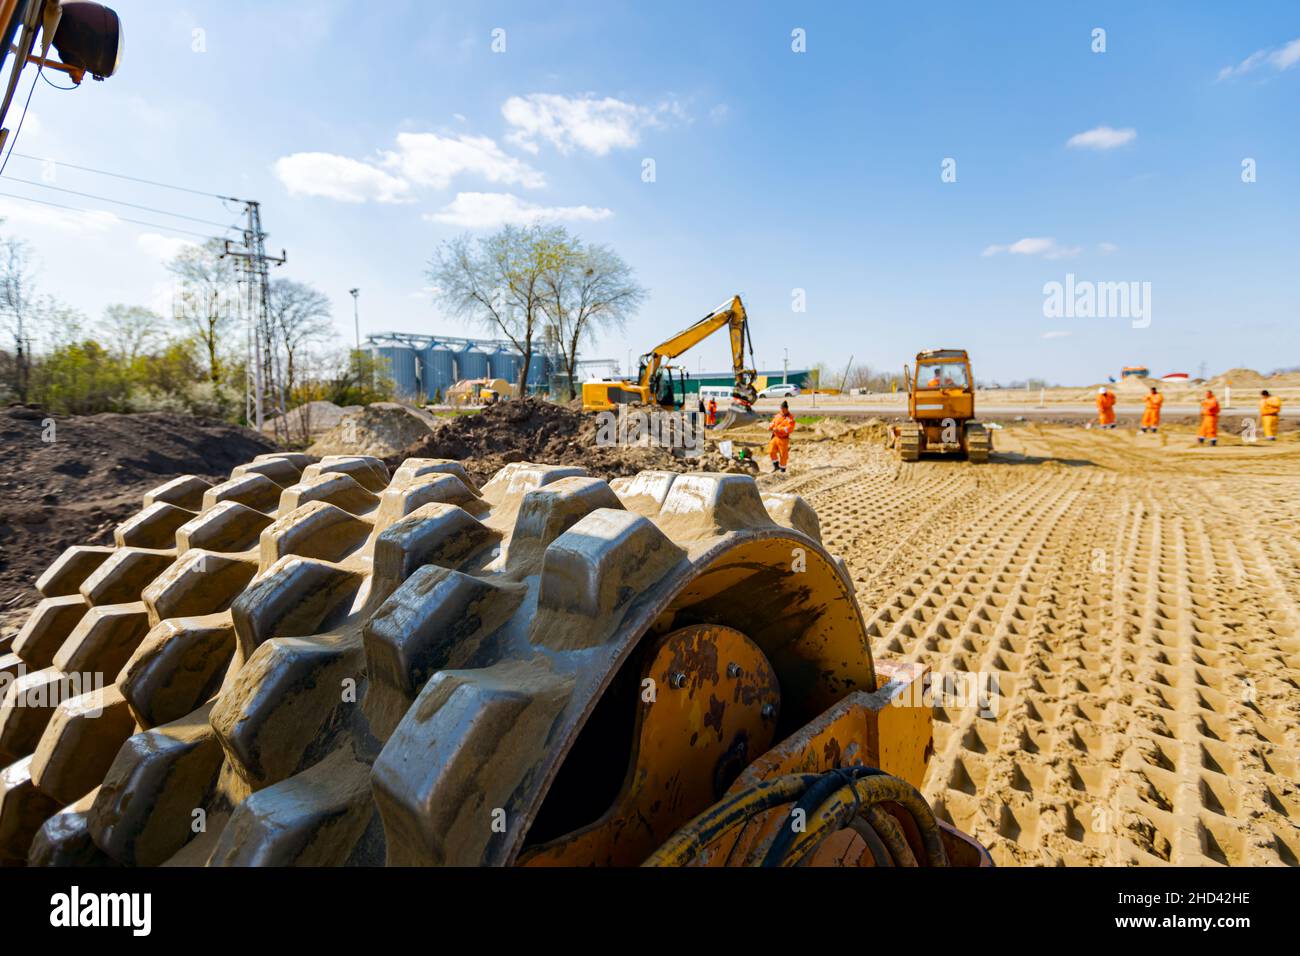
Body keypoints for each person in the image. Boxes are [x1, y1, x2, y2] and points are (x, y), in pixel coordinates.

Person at [768, 400, 796, 472]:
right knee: (771, 451)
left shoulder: (790, 418)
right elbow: (773, 422)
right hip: (775, 437)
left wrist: (778, 429)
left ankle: (783, 469)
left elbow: (789, 429)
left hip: (783, 439)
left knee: (783, 455)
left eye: (783, 410)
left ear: (787, 409)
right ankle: (776, 466)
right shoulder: (778, 415)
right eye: (781, 409)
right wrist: (770, 426)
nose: (782, 411)